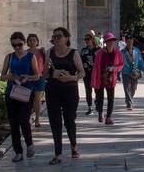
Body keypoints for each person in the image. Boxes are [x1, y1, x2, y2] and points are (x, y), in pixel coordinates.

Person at [1, 31, 42, 161]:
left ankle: (29, 144)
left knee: (24, 120)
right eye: (14, 45)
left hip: (26, 92)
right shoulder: (9, 57)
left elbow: (37, 75)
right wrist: (10, 76)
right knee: (13, 123)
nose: (17, 48)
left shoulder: (30, 57)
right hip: (11, 92)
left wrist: (28, 77)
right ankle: (18, 151)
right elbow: (2, 76)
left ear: (24, 43)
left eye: (19, 44)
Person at [45, 27, 84, 164]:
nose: (56, 39)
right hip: (52, 90)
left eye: (59, 36)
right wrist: (51, 73)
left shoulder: (73, 53)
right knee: (55, 121)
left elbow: (82, 73)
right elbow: (44, 74)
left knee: (69, 120)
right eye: (54, 37)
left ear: (66, 38)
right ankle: (58, 153)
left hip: (70, 90)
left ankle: (74, 145)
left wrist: (71, 78)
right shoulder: (49, 53)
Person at [93, 33, 124, 125]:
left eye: (112, 41)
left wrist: (115, 69)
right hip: (100, 77)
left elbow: (121, 64)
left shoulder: (117, 52)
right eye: (109, 41)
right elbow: (96, 66)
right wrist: (94, 79)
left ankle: (109, 117)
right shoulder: (100, 53)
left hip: (111, 78)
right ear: (106, 42)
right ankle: (100, 112)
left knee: (111, 98)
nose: (111, 43)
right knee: (100, 98)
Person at [27, 33, 48, 129]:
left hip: (39, 78)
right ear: (27, 42)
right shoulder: (25, 52)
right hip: (29, 78)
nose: (32, 41)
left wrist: (43, 75)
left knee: (37, 99)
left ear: (37, 41)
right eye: (30, 40)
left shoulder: (41, 51)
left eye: (34, 40)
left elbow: (46, 63)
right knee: (28, 99)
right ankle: (28, 117)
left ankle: (37, 119)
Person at [122, 37, 144, 110]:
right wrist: (117, 73)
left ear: (133, 41)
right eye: (128, 41)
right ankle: (129, 104)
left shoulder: (137, 51)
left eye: (131, 40)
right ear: (125, 41)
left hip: (135, 73)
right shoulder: (122, 52)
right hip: (126, 73)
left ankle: (128, 99)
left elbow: (140, 61)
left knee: (133, 89)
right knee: (127, 89)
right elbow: (119, 63)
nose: (130, 42)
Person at [79, 31, 98, 115]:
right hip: (86, 74)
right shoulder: (83, 50)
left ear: (92, 40)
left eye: (88, 39)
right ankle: (90, 107)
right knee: (88, 91)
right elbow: (80, 61)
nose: (86, 41)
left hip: (96, 74)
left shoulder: (98, 50)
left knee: (97, 90)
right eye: (85, 39)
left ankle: (97, 102)